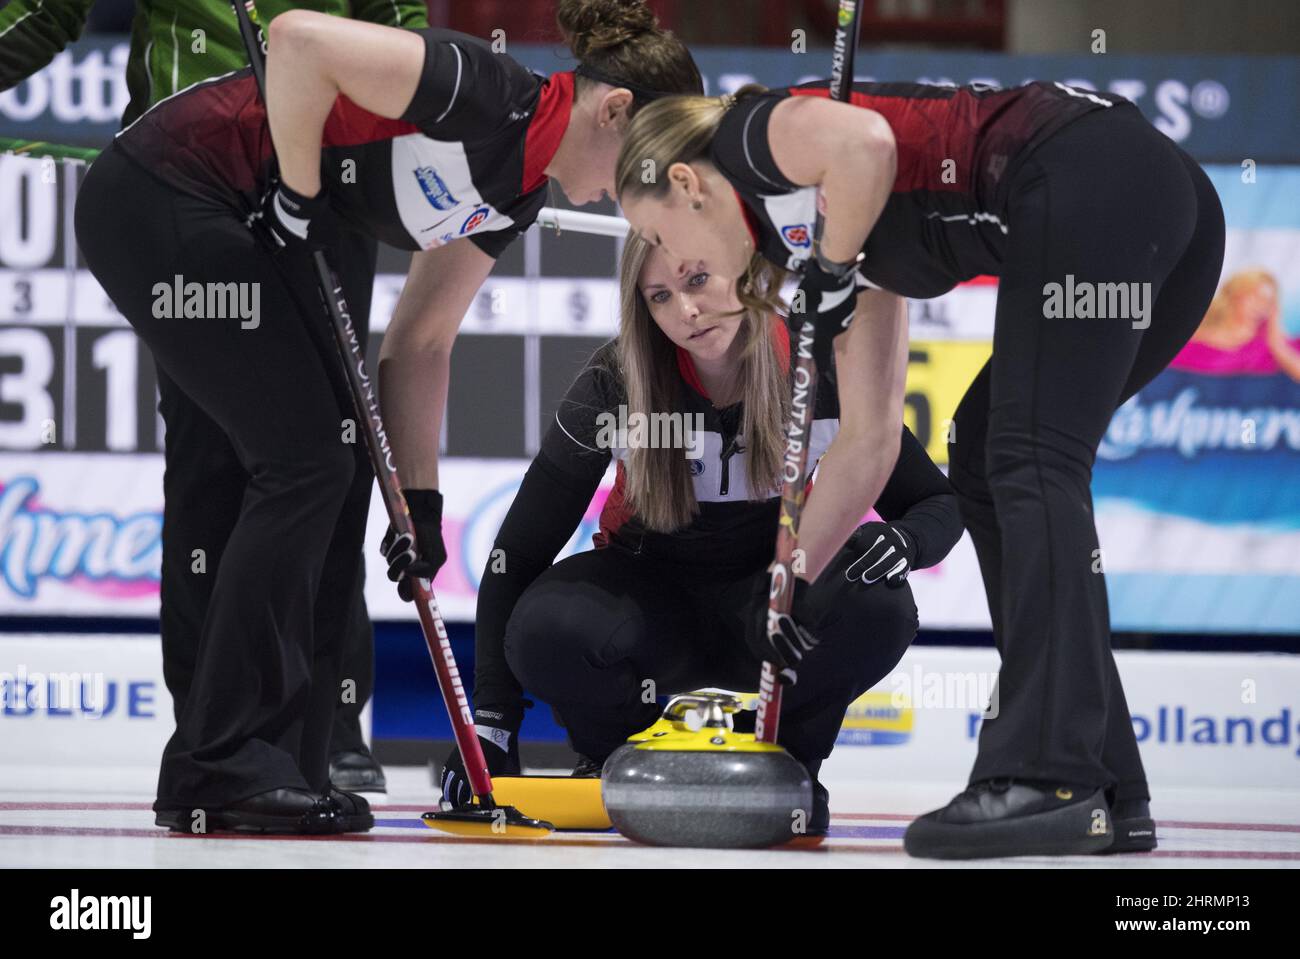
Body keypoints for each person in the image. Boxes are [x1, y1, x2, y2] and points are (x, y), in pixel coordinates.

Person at [72, 0, 702, 835]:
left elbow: (420, 343)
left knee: (336, 467)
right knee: (305, 464)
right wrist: (297, 192)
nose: (635, 198)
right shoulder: (481, 90)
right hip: (166, 192)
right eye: (644, 169)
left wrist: (423, 504)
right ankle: (216, 762)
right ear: (613, 109)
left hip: (241, 219)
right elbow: (297, 39)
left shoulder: (513, 189)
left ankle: (281, 758)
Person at [612, 76, 1225, 857]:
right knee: (985, 448)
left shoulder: (750, 142)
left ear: (688, 186)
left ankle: (1046, 771)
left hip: (1101, 179)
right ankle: (1106, 783)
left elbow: (865, 143)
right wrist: (787, 584)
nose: (665, 261)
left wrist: (831, 268)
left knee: (1030, 454)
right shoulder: (826, 235)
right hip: (1152, 199)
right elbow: (869, 440)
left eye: (659, 236)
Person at [0, 0, 432, 797]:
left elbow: (399, 23)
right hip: (190, 178)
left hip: (329, 176)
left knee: (331, 454)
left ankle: (323, 724)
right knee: (213, 457)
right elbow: (48, 8)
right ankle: (211, 726)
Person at [439, 232, 963, 834]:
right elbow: (518, 554)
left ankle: (790, 761)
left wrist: (905, 543)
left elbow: (937, 501)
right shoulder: (616, 381)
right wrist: (492, 724)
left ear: (747, 274)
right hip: (647, 605)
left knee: (879, 604)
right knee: (548, 626)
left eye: (697, 280)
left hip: (773, 614)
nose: (684, 312)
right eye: (659, 296)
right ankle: (615, 756)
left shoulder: (822, 370)